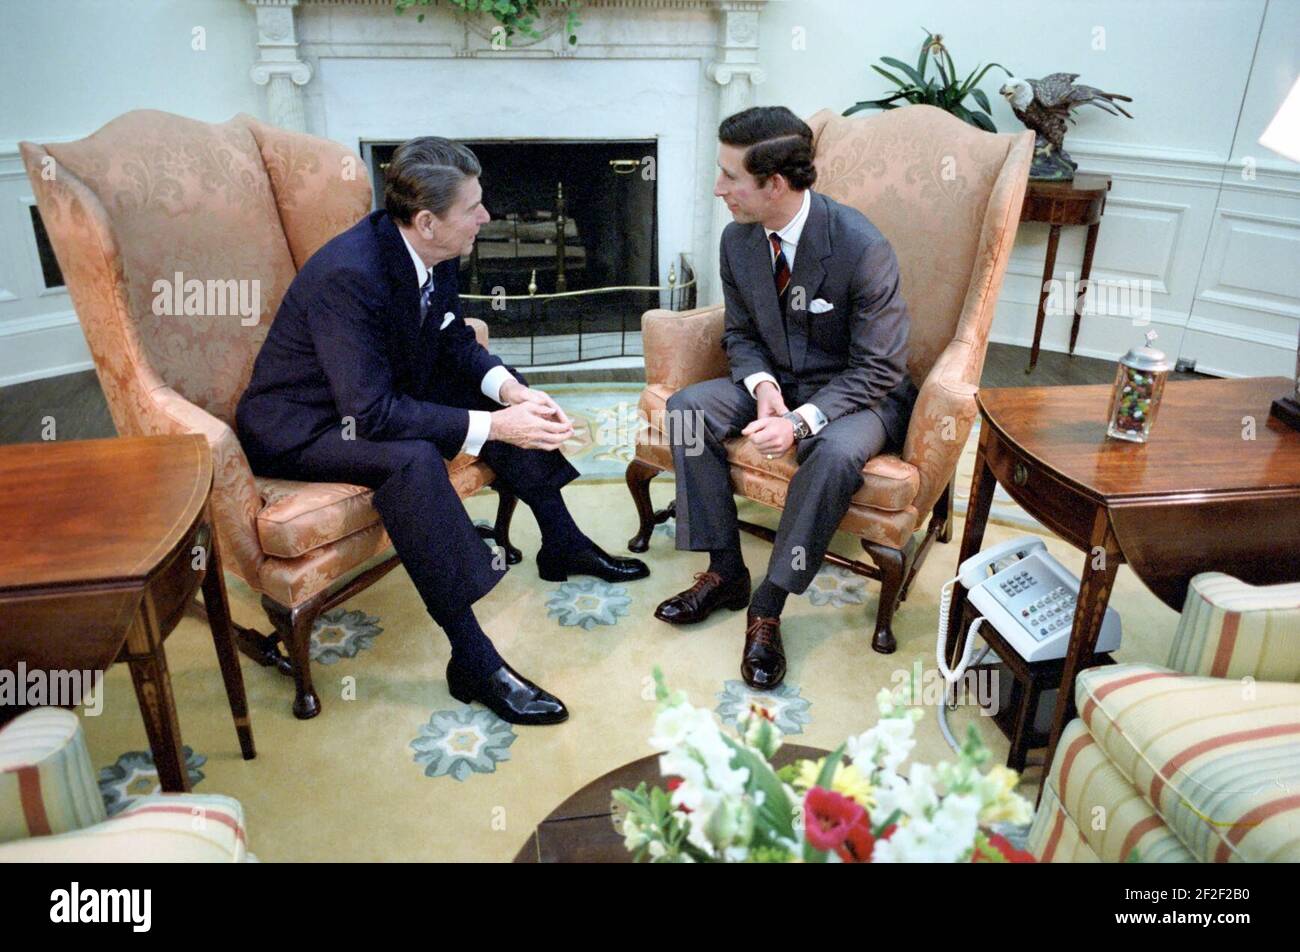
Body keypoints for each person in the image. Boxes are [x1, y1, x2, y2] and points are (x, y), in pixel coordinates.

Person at [236, 137, 648, 725]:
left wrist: (512, 394)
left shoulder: (436, 250)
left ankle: (561, 543)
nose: (486, 216)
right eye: (473, 207)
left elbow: (455, 340)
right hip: (302, 424)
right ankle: (473, 661)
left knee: (506, 398)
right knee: (411, 460)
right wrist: (492, 425)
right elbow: (372, 415)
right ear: (427, 221)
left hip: (367, 397)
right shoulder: (349, 275)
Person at [654, 106, 917, 689]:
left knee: (830, 454)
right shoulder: (738, 240)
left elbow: (880, 366)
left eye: (729, 176)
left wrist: (799, 424)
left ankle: (767, 604)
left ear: (774, 184)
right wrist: (763, 387)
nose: (718, 188)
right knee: (687, 411)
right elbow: (742, 334)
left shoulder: (860, 246)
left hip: (860, 396)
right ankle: (726, 572)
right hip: (781, 384)